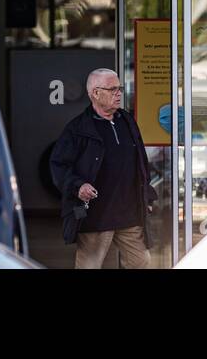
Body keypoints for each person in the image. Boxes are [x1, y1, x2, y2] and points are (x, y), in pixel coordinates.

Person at [49, 68, 157, 269]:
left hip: (129, 214)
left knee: (141, 263)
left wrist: (147, 196)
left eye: (120, 88)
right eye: (112, 89)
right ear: (95, 93)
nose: (119, 93)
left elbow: (140, 162)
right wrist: (78, 186)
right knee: (89, 266)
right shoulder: (78, 128)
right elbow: (58, 166)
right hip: (96, 217)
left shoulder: (127, 121)